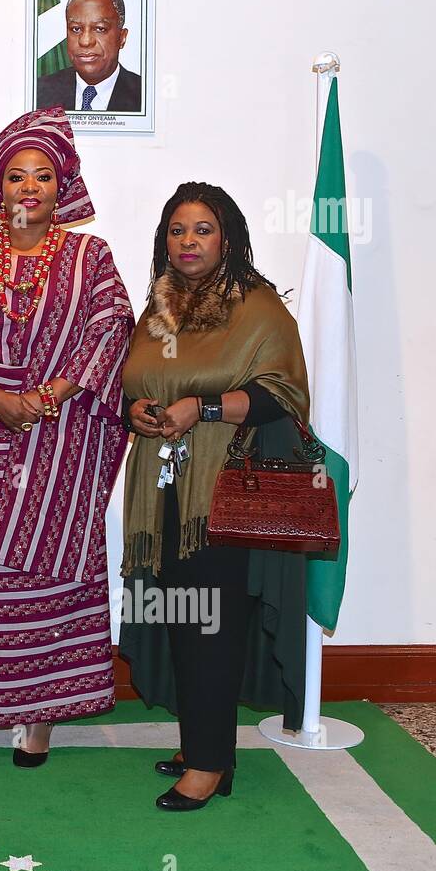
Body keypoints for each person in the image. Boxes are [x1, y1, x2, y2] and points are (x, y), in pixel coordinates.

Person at [0, 107, 134, 767]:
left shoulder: (90, 255)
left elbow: (111, 329)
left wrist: (44, 397)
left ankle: (38, 716)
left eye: (43, 176)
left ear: (62, 185)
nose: (30, 188)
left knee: (43, 580)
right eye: (17, 176)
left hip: (62, 436)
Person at [118, 183, 310, 811]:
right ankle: (201, 744)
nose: (188, 242)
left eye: (202, 229)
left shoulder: (257, 308)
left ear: (228, 236)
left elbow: (280, 395)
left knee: (213, 625)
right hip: (164, 487)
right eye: (177, 230)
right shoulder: (160, 311)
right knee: (178, 616)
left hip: (221, 492)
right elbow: (139, 384)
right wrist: (138, 413)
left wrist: (196, 408)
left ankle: (209, 765)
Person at [35, 0, 142, 113]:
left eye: (100, 29)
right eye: (76, 29)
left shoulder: (145, 94)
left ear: (122, 38)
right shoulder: (39, 92)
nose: (85, 41)